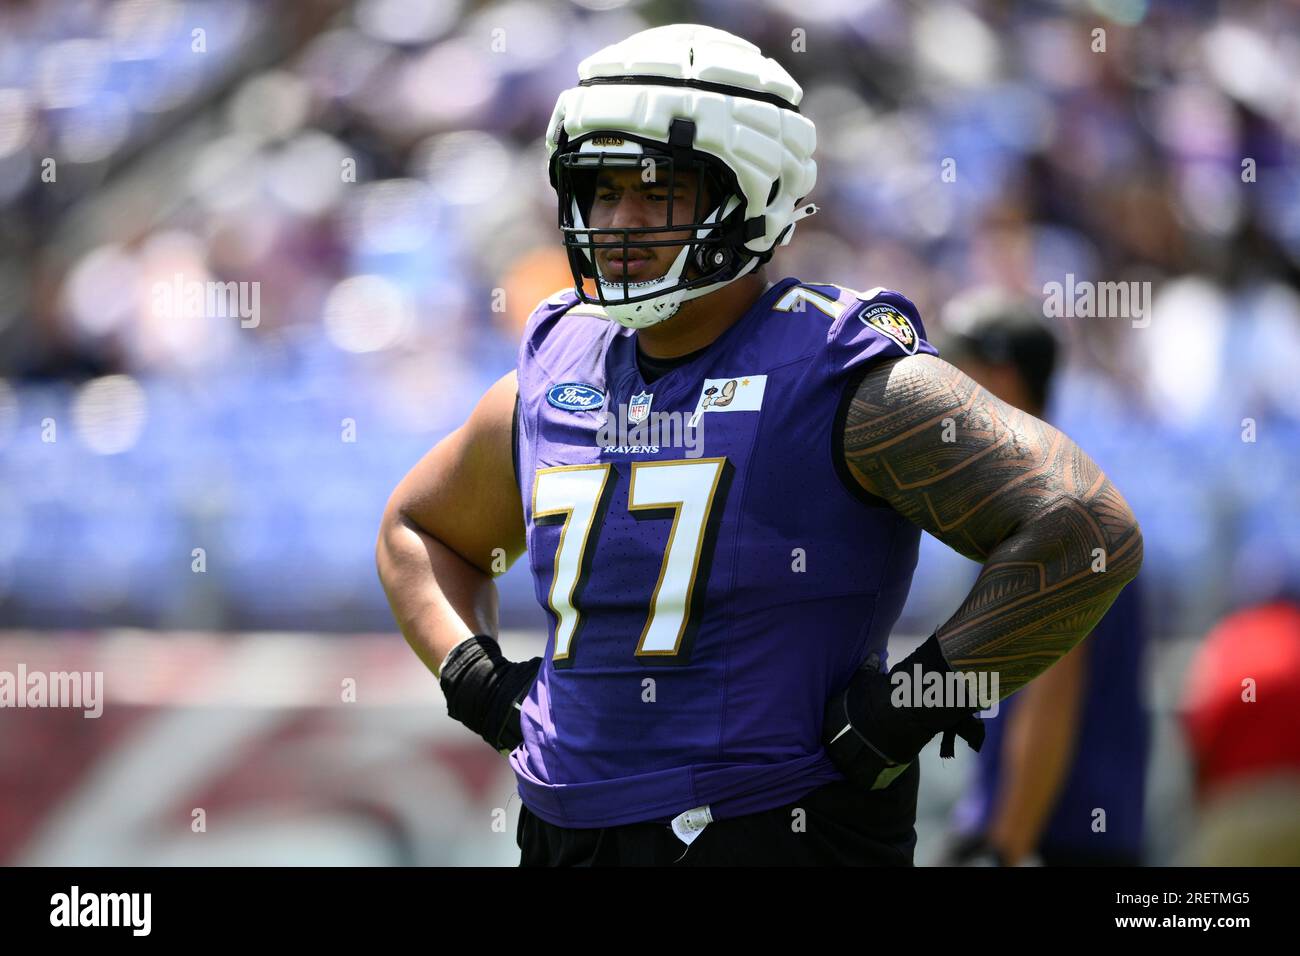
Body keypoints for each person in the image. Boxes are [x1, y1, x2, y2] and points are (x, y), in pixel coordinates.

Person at [375, 24, 1143, 866]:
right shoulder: (556, 368)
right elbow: (420, 529)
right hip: (565, 833)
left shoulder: (837, 372)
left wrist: (910, 708)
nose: (620, 221)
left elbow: (1087, 530)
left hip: (773, 825)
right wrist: (477, 683)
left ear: (751, 193)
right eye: (600, 191)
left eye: (657, 190)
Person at [937, 292, 1150, 867]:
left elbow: (1052, 695)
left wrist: (1006, 848)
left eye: (959, 374)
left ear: (1001, 377)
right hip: (1065, 829)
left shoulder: (1054, 502)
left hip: (1054, 835)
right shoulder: (1055, 486)